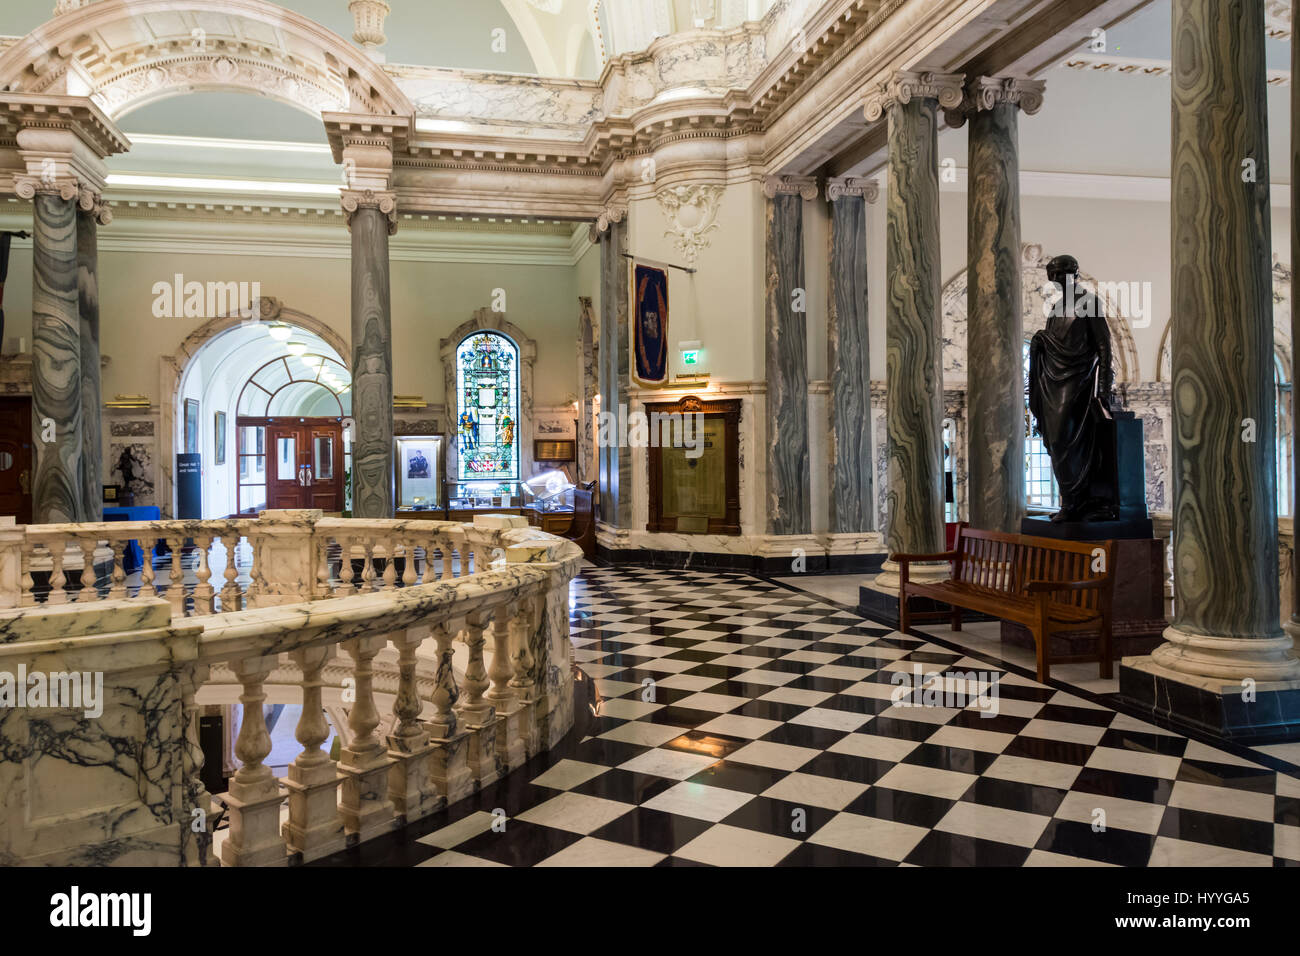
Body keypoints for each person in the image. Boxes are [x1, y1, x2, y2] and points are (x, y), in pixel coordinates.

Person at [1027, 254, 1119, 522]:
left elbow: (1104, 346)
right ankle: (1071, 501)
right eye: (1052, 276)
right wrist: (1040, 342)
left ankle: (1077, 501)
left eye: (1059, 275)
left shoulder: (1089, 302)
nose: (1056, 281)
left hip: (1077, 381)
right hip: (1052, 382)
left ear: (1073, 274)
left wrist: (1104, 386)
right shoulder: (1055, 308)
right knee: (1054, 442)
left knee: (1063, 438)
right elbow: (1052, 343)